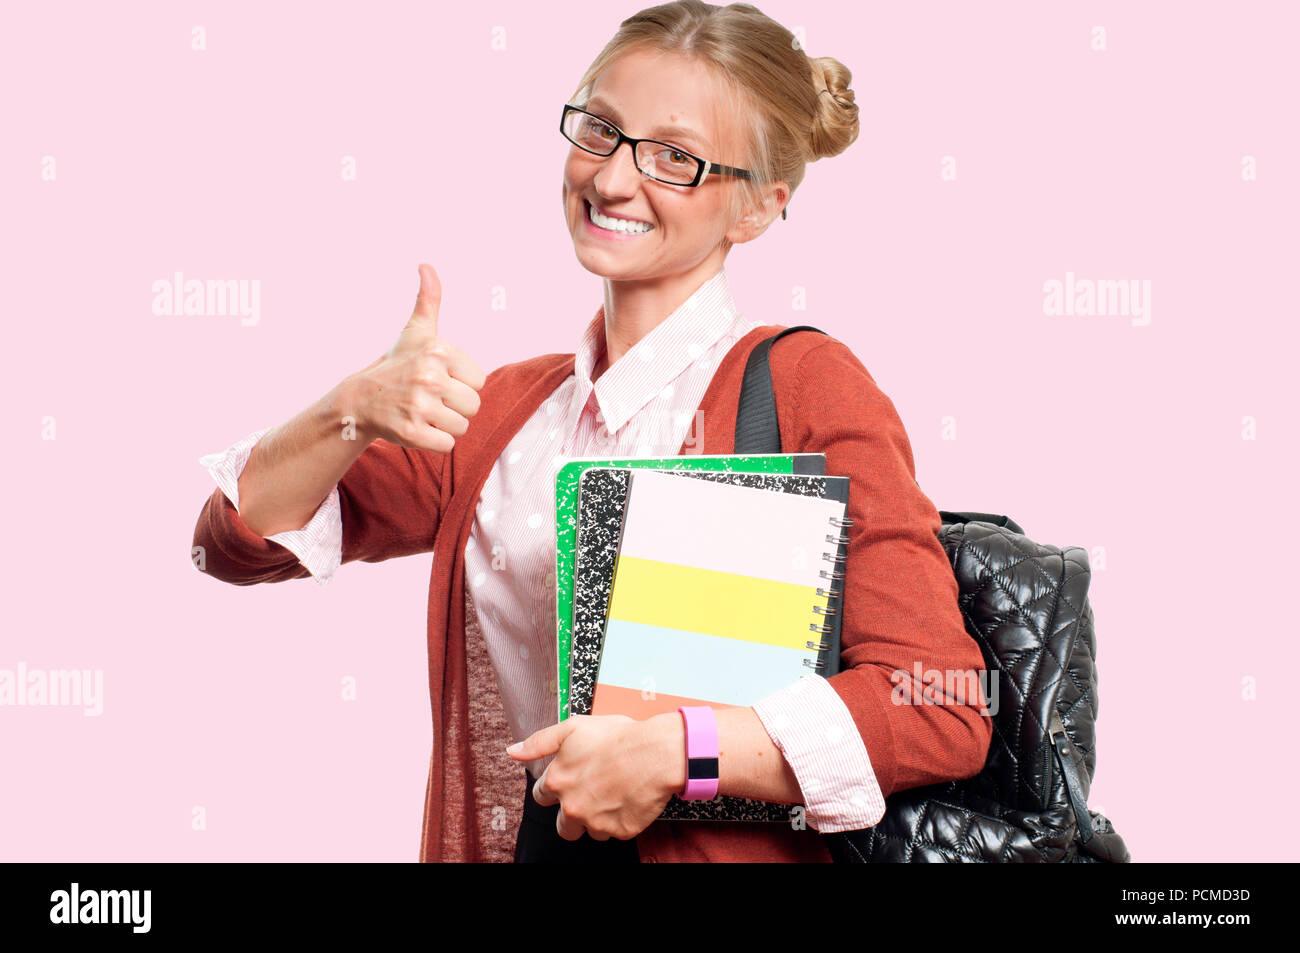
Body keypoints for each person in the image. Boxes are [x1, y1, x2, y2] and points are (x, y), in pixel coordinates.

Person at [191, 0, 992, 863]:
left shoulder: (803, 385)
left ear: (757, 209)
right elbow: (235, 544)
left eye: (675, 157)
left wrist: (682, 750)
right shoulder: (503, 411)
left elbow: (936, 702)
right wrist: (348, 409)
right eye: (602, 130)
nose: (613, 180)